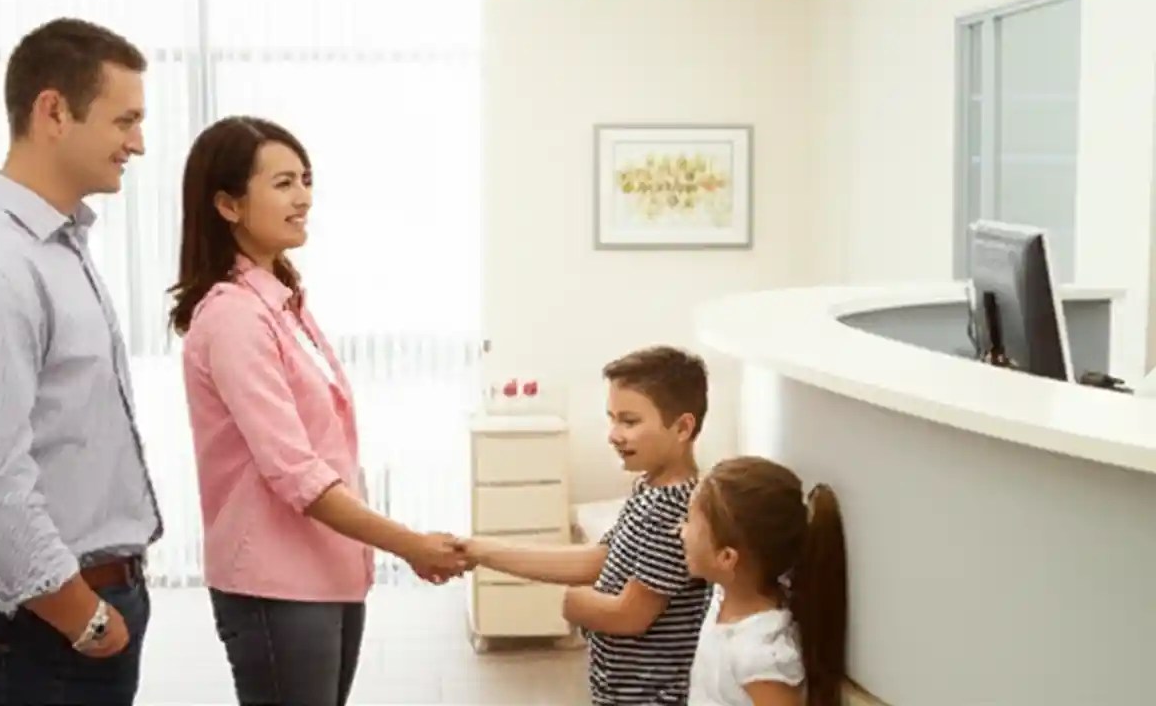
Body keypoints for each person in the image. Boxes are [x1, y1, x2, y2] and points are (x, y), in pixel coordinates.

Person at [169, 115, 468, 705]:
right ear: (228, 205)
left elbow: (326, 449)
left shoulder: (282, 302)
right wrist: (407, 543)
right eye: (282, 183)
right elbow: (297, 473)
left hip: (326, 571)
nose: (303, 196)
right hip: (275, 583)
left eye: (305, 179)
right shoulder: (234, 316)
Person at [0, 17, 160, 704]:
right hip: (44, 627)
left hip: (76, 609)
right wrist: (85, 618)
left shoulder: (54, 249)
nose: (138, 143)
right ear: (54, 111)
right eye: (125, 120)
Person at [464, 346, 713, 705]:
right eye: (611, 419)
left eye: (629, 422)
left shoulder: (672, 511)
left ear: (682, 427)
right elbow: (599, 560)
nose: (613, 434)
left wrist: (574, 604)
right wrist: (483, 550)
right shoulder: (650, 490)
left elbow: (630, 615)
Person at [681, 457, 849, 706]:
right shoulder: (724, 595)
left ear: (726, 557)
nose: (680, 530)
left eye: (689, 522)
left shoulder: (761, 655)